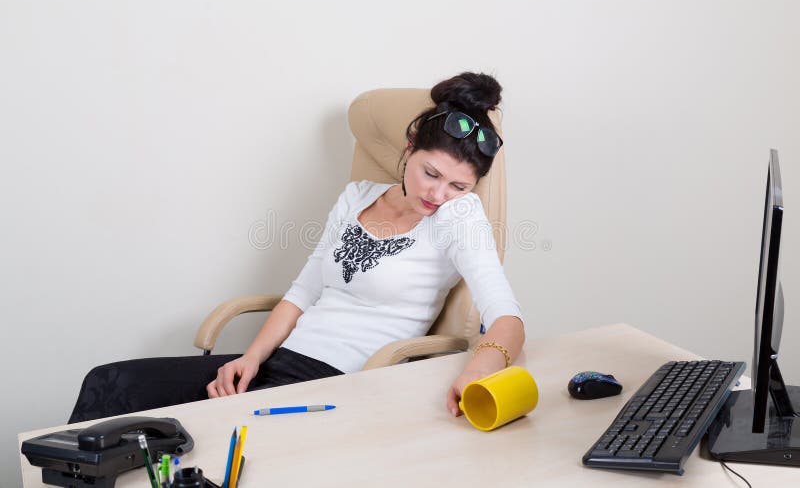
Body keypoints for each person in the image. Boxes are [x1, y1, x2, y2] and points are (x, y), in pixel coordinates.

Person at [69, 72, 524, 423]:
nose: (438, 194)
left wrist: (478, 371)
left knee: (189, 437)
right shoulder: (358, 196)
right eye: (430, 173)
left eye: (458, 185)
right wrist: (250, 358)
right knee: (109, 383)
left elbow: (506, 318)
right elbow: (303, 291)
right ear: (409, 149)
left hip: (338, 385)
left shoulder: (459, 217)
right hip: (281, 363)